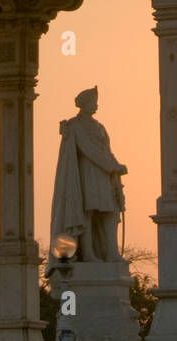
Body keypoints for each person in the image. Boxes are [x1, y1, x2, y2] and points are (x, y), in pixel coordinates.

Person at [49, 87, 127, 264]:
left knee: (110, 212)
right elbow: (89, 149)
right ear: (84, 104)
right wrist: (112, 166)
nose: (96, 106)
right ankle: (89, 254)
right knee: (87, 213)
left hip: (104, 176)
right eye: (93, 102)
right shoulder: (76, 125)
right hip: (86, 174)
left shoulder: (99, 126)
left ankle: (111, 253)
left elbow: (106, 151)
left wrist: (116, 165)